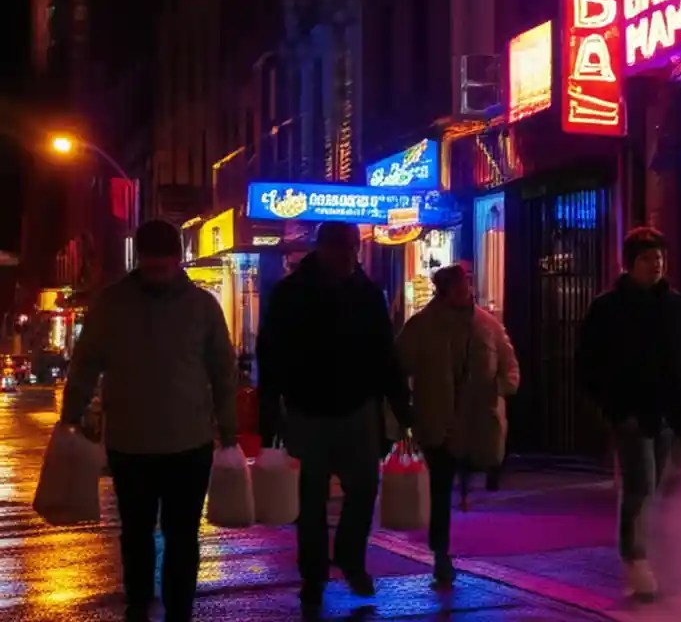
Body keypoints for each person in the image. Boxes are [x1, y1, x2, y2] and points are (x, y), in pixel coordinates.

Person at [59, 220, 238, 622]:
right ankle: (138, 605)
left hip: (188, 445)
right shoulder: (111, 304)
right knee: (137, 533)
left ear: (177, 259)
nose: (157, 272)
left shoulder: (202, 306)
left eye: (164, 264)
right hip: (131, 444)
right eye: (150, 265)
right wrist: (70, 416)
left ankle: (179, 611)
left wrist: (228, 432)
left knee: (181, 537)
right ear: (140, 260)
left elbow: (223, 372)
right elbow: (85, 363)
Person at [256, 221, 413, 608]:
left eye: (352, 250)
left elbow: (384, 354)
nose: (350, 257)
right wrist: (269, 412)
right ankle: (317, 573)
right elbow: (271, 355)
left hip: (353, 406)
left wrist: (400, 406)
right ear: (323, 249)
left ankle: (346, 557)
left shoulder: (364, 293)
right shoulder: (293, 294)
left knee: (359, 490)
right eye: (343, 249)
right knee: (310, 501)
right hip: (311, 408)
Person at [578, 226, 681, 601]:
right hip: (632, 412)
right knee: (640, 486)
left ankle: (650, 556)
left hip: (669, 411)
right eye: (647, 258)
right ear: (630, 263)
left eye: (659, 258)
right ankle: (636, 560)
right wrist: (612, 406)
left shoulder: (677, 306)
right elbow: (588, 364)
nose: (655, 265)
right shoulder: (608, 308)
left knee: (659, 487)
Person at [396, 263, 518, 586]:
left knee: (469, 470)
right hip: (438, 419)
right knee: (440, 489)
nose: (467, 290)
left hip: (477, 416)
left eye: (467, 284)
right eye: (461, 285)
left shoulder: (487, 325)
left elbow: (509, 365)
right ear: (445, 290)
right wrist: (403, 409)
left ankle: (449, 535)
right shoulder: (422, 326)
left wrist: (504, 387)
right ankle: (441, 553)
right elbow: (398, 364)